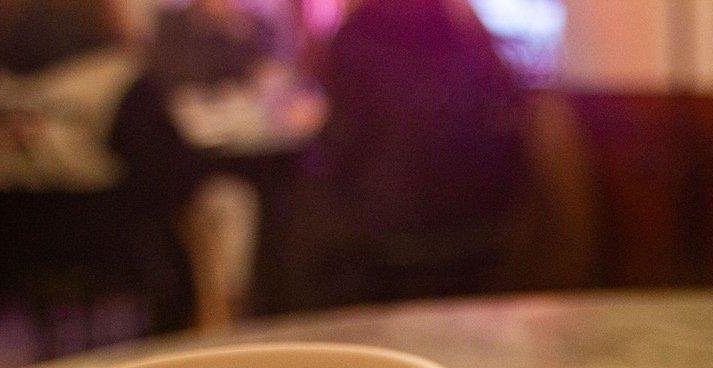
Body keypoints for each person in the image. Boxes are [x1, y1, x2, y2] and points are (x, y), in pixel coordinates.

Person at [0, 0, 204, 337]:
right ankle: (194, 337)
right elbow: (175, 173)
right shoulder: (115, 77)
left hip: (16, 244)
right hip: (112, 246)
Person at [306, 0, 531, 302]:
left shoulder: (354, 40)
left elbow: (340, 149)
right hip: (481, 237)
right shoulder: (470, 40)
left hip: (377, 238)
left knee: (298, 208)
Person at [149, 0, 277, 91]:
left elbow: (250, 74)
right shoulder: (171, 23)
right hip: (181, 110)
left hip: (230, 111)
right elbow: (169, 75)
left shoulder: (242, 26)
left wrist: (233, 33)